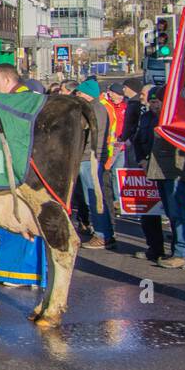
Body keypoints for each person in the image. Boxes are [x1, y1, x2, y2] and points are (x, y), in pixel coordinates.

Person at [144, 86, 185, 269]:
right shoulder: (160, 117)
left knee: (178, 212)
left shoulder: (180, 116)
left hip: (175, 170)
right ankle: (177, 250)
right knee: (172, 212)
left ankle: (182, 253)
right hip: (162, 170)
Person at [74, 78, 116, 249]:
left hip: (90, 158)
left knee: (94, 197)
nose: (77, 95)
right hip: (91, 157)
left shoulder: (94, 109)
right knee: (93, 196)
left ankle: (102, 234)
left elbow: (90, 136)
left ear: (88, 94)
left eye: (80, 92)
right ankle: (103, 232)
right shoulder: (97, 107)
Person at [133, 87, 166, 263]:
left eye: (156, 102)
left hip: (165, 170)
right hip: (147, 169)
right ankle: (154, 248)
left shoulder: (168, 119)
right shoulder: (146, 118)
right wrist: (141, 161)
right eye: (151, 102)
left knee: (172, 212)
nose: (153, 105)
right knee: (148, 213)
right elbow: (138, 141)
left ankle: (176, 251)